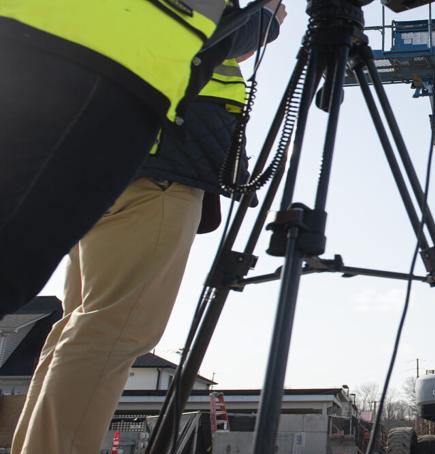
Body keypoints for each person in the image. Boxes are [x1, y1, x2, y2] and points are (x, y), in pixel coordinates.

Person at [5, 1, 285, 454]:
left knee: (80, 326)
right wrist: (263, 19)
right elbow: (205, 42)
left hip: (108, 154)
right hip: (160, 170)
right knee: (111, 330)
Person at [0, 0, 265, 316]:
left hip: (70, 105)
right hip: (157, 157)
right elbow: (209, 30)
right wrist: (263, 21)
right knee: (114, 326)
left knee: (81, 318)